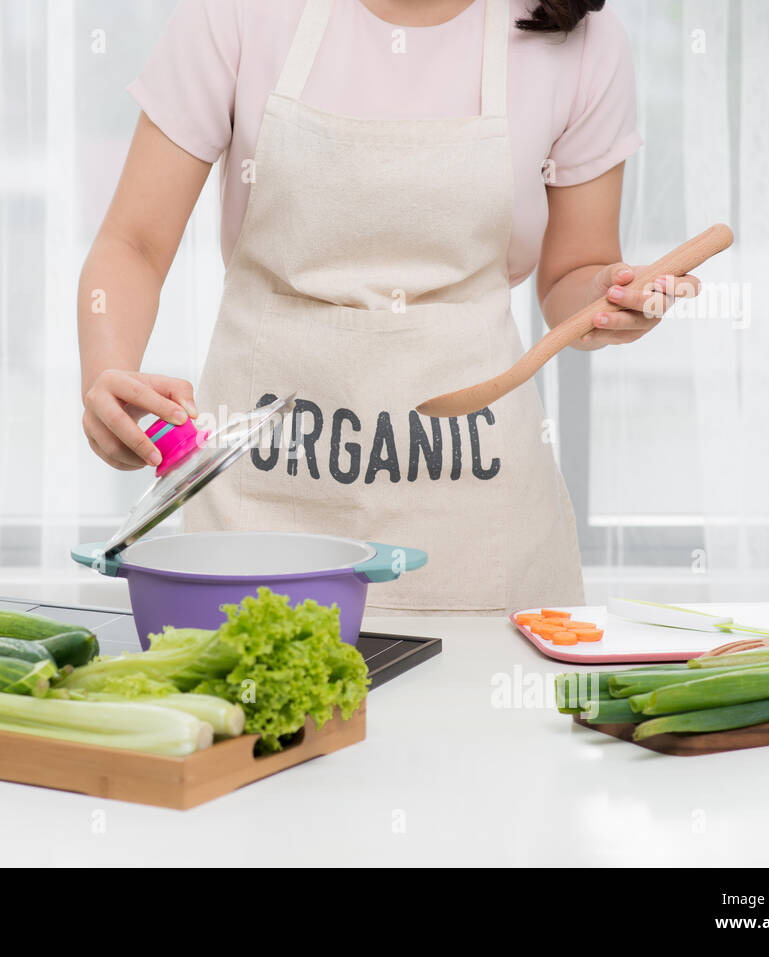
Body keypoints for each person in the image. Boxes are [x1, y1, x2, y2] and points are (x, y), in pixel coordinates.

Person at [77, 0, 698, 613]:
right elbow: (134, 242)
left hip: (477, 527)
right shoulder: (237, 12)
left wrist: (610, 296)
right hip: (259, 511)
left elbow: (572, 275)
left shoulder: (580, 36)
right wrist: (111, 376)